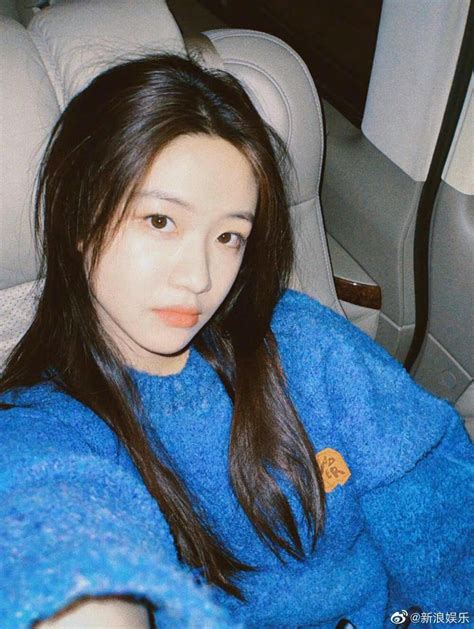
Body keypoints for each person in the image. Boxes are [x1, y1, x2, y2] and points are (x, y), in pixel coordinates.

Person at [0, 53, 472, 629]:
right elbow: (63, 553)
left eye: (229, 236)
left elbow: (439, 508)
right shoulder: (45, 429)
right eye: (160, 221)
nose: (199, 278)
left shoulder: (301, 341)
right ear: (79, 217)